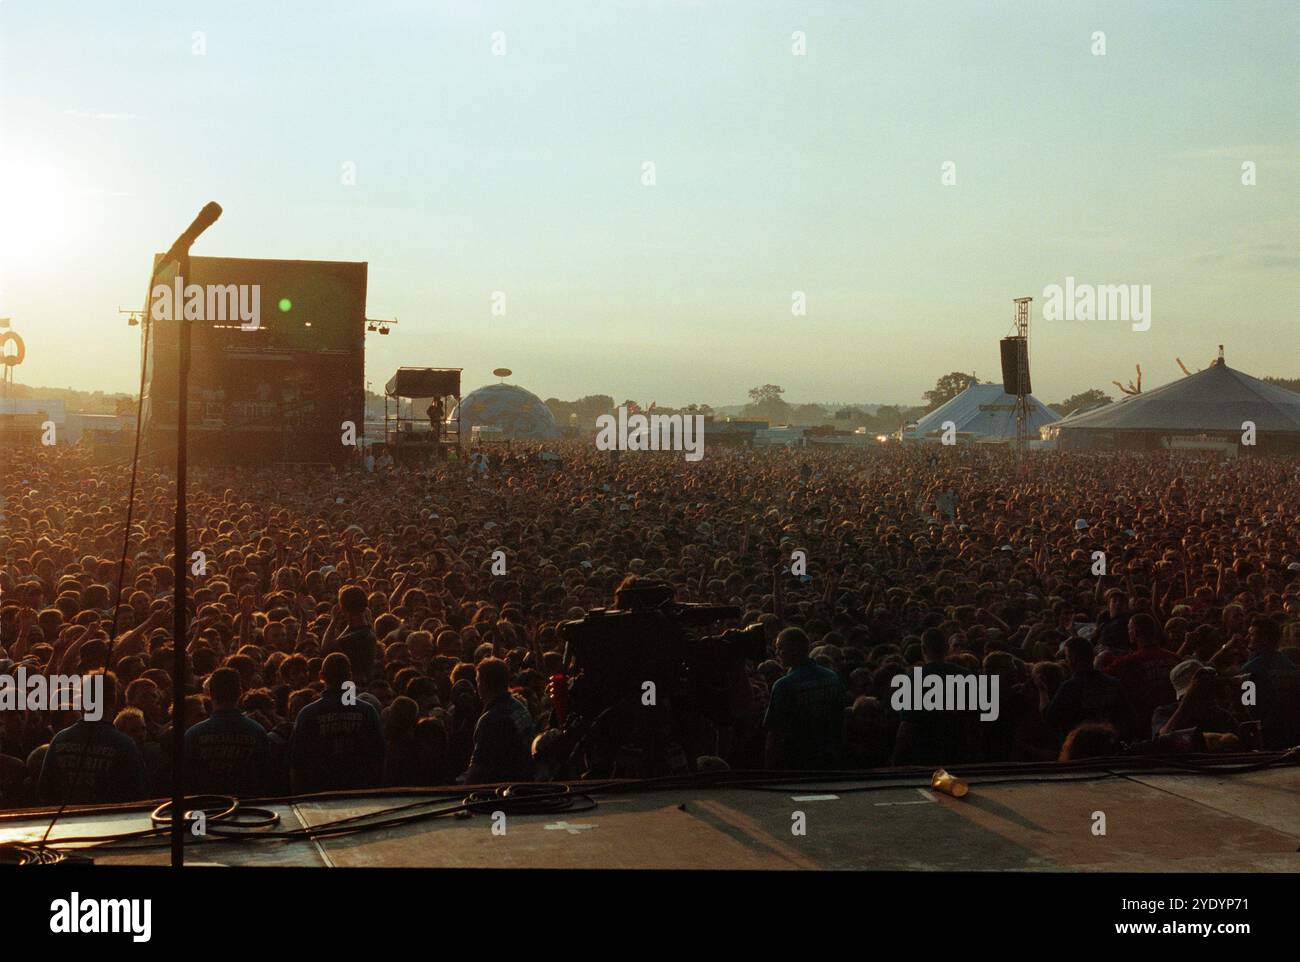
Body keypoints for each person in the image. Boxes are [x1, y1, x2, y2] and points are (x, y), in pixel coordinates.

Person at [38, 671, 146, 804]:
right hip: (108, 822)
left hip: (66, 822)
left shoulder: (60, 739)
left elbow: (45, 791)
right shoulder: (123, 744)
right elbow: (137, 794)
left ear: (84, 700)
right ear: (113, 699)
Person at [289, 653, 385, 793]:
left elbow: (297, 762)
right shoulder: (366, 711)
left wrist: (299, 797)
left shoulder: (308, 713)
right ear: (350, 676)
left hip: (320, 793)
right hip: (360, 791)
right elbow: (379, 756)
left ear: (321, 676)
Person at [763, 627, 847, 770]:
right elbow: (841, 718)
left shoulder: (784, 685)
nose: (777, 653)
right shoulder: (832, 678)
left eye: (780, 648)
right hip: (830, 755)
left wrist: (769, 765)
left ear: (795, 650)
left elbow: (774, 731)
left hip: (796, 759)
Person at [185, 667, 270, 796]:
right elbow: (264, 778)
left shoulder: (193, 735)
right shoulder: (257, 732)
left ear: (210, 694)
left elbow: (186, 780)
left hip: (205, 809)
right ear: (240, 692)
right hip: (247, 808)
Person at [462, 657, 534, 784]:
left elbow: (478, 768)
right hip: (524, 782)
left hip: (501, 790)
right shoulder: (520, 707)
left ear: (483, 684)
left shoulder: (491, 719)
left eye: (478, 681)